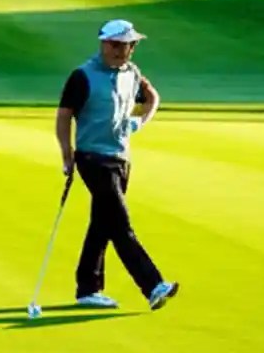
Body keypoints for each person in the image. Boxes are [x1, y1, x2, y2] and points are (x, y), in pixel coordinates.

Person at [55, 18, 179, 311]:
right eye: (116, 44)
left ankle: (88, 288)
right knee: (121, 225)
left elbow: (152, 98)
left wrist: (140, 121)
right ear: (103, 43)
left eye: (128, 45)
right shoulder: (82, 76)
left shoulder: (131, 74)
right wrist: (66, 154)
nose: (122, 50)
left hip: (120, 158)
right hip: (91, 157)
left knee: (102, 224)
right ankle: (152, 285)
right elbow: (63, 116)